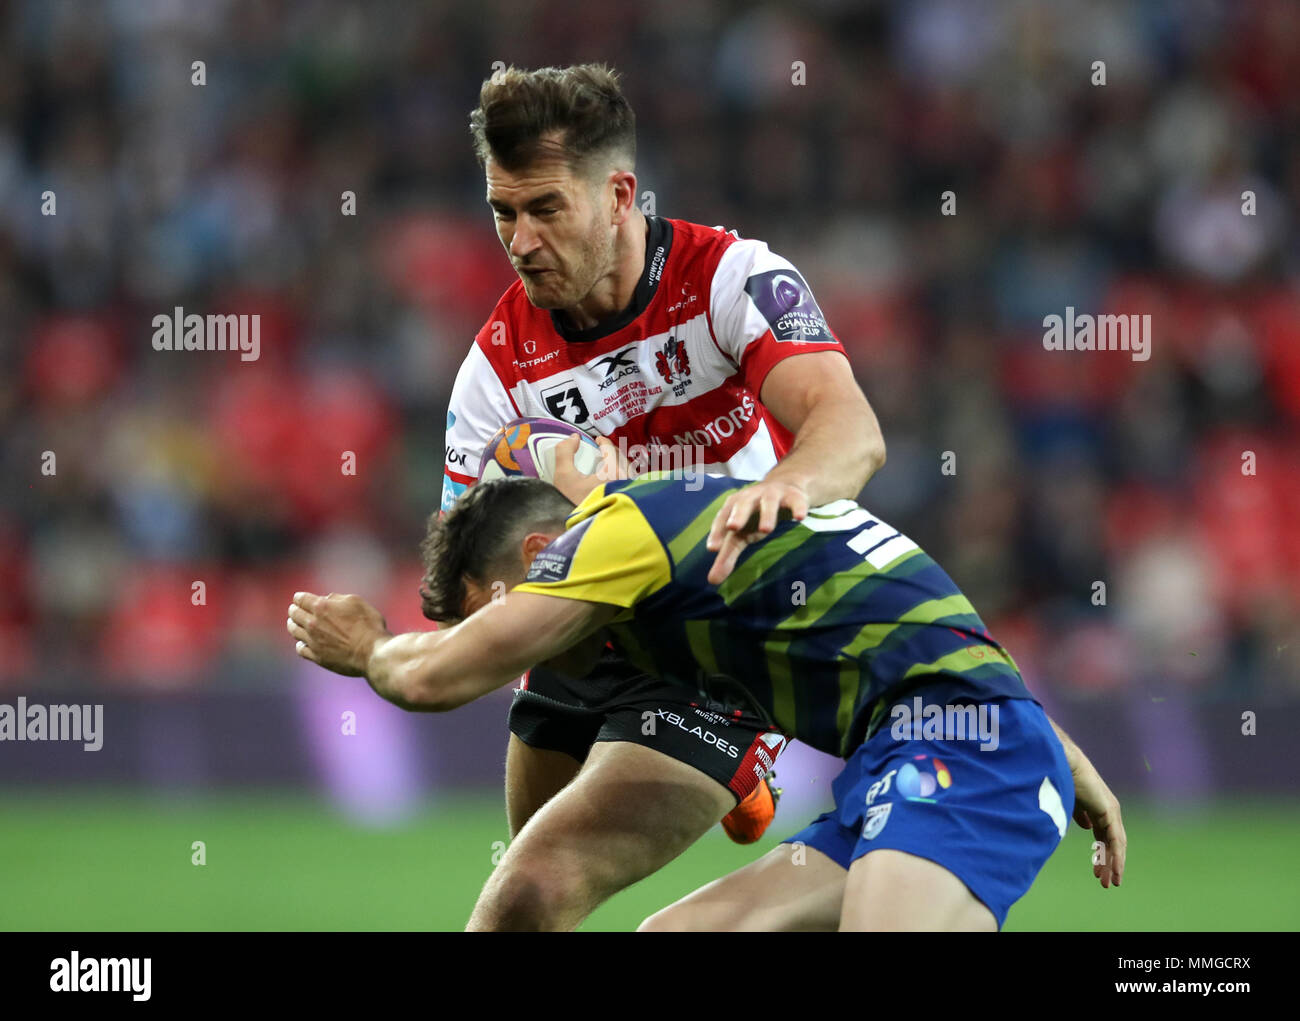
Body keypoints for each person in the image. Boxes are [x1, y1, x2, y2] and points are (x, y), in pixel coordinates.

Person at [287, 461, 1127, 931]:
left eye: (498, 610)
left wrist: (366, 647)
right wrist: (1065, 758)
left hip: (961, 752)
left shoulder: (618, 535)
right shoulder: (691, 551)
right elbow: (927, 629)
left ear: (545, 553)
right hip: (913, 757)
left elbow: (433, 676)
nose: (509, 647)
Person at [442, 59, 886, 884]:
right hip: (590, 623)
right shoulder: (494, 371)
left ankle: (739, 751)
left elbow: (850, 430)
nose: (521, 242)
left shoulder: (731, 277)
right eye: (504, 212)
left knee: (540, 880)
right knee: (524, 899)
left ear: (619, 196)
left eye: (546, 209)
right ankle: (738, 776)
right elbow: (462, 581)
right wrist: (531, 547)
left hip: (728, 619)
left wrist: (775, 496)